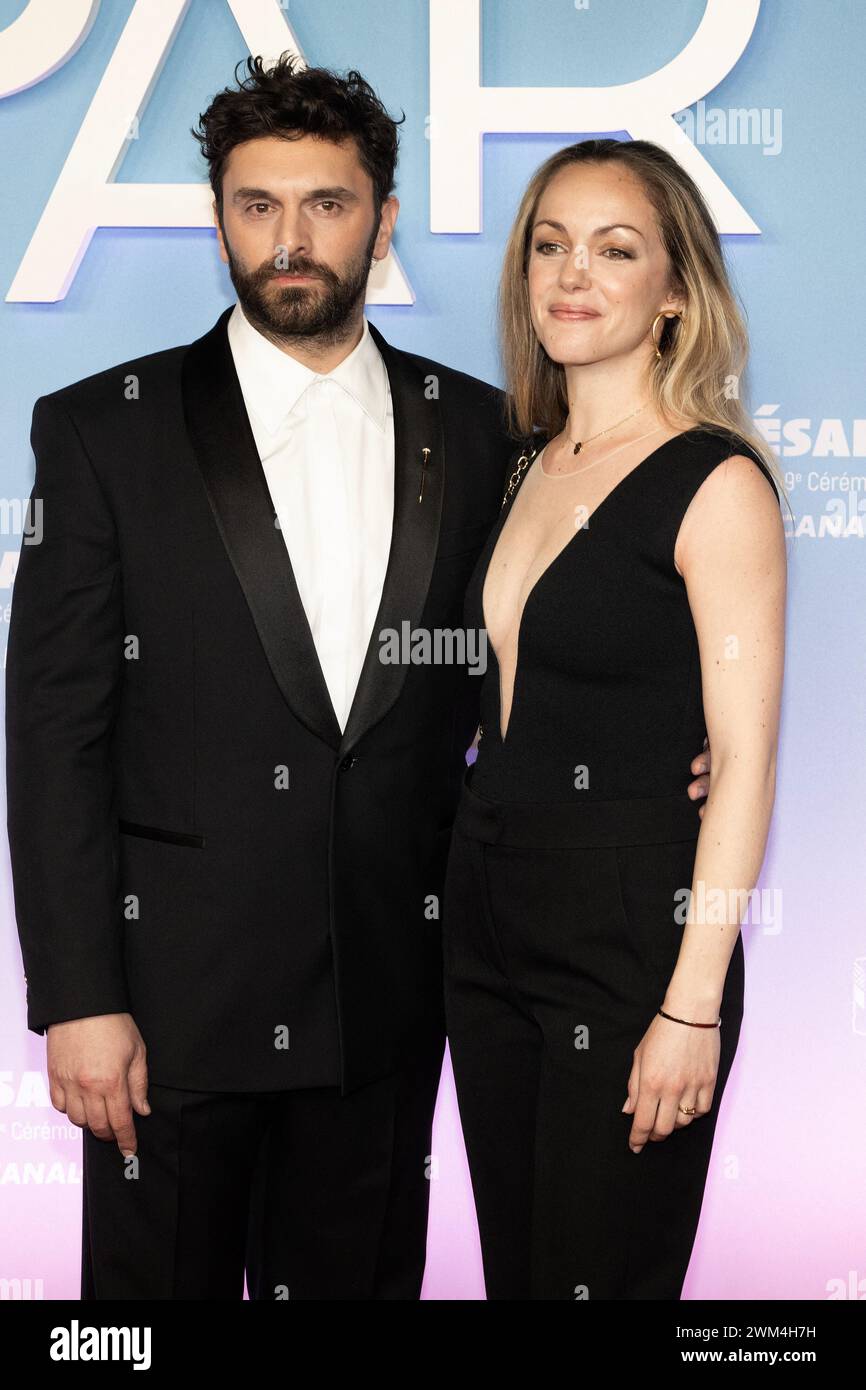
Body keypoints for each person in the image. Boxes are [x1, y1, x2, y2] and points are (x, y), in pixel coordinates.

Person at [5, 55, 714, 1299]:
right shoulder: (101, 427)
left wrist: (669, 755)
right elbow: (50, 730)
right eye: (256, 204)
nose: (290, 238)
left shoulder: (496, 432)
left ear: (381, 223)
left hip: (393, 1004)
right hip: (166, 1016)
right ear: (217, 220)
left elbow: (553, 651)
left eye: (326, 204)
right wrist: (76, 997)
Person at [441, 138, 787, 1300]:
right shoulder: (520, 463)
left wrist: (689, 1002)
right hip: (485, 913)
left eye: (613, 248)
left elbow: (738, 758)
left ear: (675, 292)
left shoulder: (713, 480)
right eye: (548, 244)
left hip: (630, 933)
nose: (569, 273)